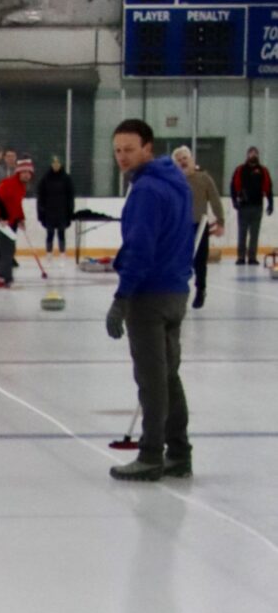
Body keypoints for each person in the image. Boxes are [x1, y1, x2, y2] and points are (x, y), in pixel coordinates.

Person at [106, 119, 195, 483]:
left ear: (148, 148)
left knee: (152, 380)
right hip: (176, 291)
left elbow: (141, 249)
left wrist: (122, 297)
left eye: (129, 149)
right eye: (117, 151)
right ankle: (178, 453)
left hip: (150, 295)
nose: (122, 157)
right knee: (168, 376)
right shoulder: (176, 182)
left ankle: (151, 455)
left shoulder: (146, 191)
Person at [172, 146, 224, 308]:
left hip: (199, 227)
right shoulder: (173, 180)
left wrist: (220, 221)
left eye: (184, 158)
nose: (182, 162)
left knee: (200, 261)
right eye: (179, 160)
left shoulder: (204, 178)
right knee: (178, 261)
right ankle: (179, 292)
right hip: (179, 227)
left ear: (191, 159)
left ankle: (201, 289)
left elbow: (215, 200)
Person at [0, 157, 33, 286]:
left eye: (29, 173)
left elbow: (16, 205)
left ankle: (4, 277)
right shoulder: (8, 184)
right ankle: (4, 278)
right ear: (18, 172)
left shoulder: (21, 187)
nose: (27, 175)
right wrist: (0, 218)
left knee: (9, 249)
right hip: (0, 222)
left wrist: (21, 218)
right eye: (24, 172)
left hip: (11, 222)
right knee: (7, 249)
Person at [229, 145, 273, 266]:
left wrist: (270, 204)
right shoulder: (240, 170)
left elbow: (268, 187)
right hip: (243, 206)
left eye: (255, 153)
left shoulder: (263, 171)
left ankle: (252, 257)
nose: (253, 155)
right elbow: (233, 186)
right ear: (247, 155)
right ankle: (241, 257)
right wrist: (234, 201)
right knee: (242, 232)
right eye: (251, 153)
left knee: (254, 233)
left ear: (258, 155)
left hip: (257, 206)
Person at [36, 155, 75, 254]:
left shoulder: (66, 179)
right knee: (50, 233)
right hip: (49, 211)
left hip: (62, 211)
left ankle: (62, 252)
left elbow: (70, 196)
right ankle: (49, 253)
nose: (56, 166)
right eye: (54, 164)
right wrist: (41, 210)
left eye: (58, 164)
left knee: (61, 233)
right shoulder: (45, 179)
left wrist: (70, 211)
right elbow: (40, 196)